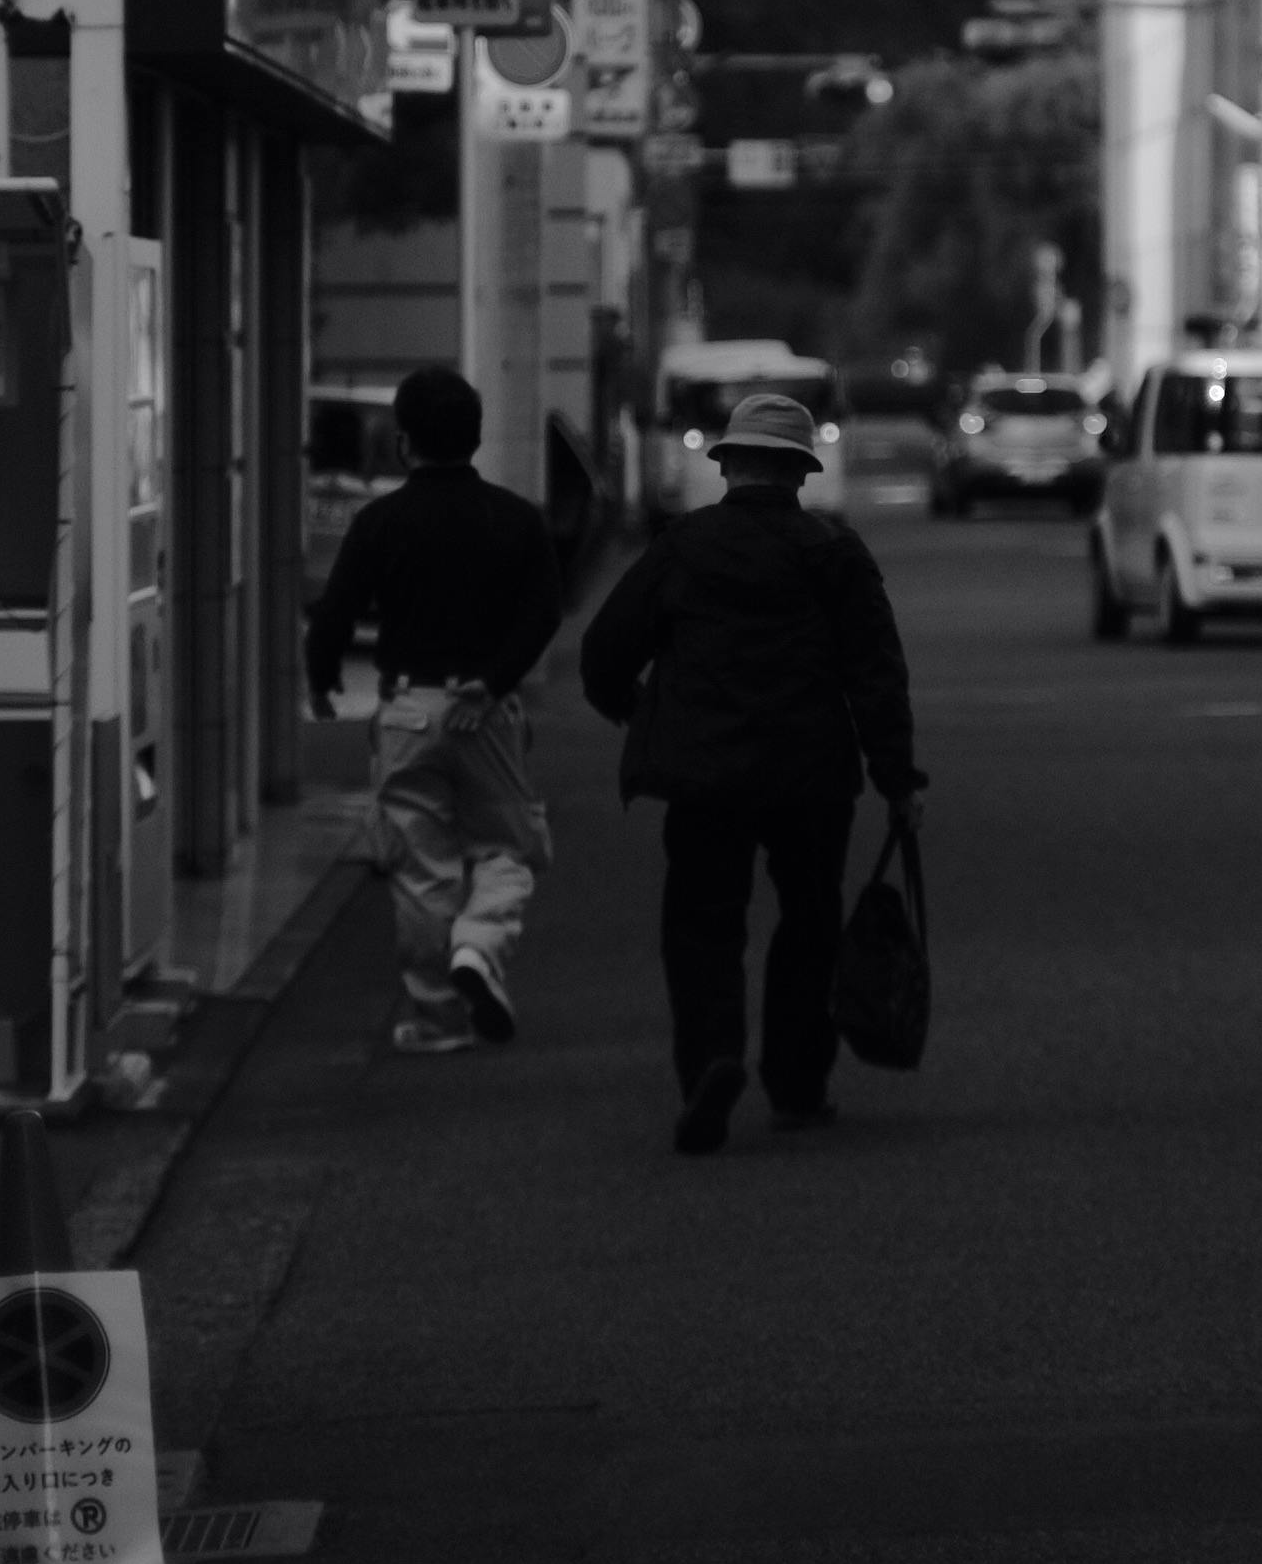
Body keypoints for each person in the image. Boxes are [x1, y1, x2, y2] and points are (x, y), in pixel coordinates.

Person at [580, 389, 924, 1157]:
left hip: (705, 775)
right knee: (809, 924)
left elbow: (604, 652)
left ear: (729, 463)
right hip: (811, 774)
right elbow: (876, 674)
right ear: (801, 472)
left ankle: (712, 1059)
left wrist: (634, 711)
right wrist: (898, 778)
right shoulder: (833, 551)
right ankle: (798, 1086)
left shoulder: (682, 547)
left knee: (702, 923)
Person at [304, 361, 564, 1055]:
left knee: (420, 865)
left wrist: (321, 681)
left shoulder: (380, 521)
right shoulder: (517, 520)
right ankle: (478, 946)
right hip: (487, 708)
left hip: (407, 708)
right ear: (476, 438)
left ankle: (436, 1016)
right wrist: (497, 677)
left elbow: (334, 615)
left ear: (404, 442)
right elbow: (545, 611)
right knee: (507, 847)